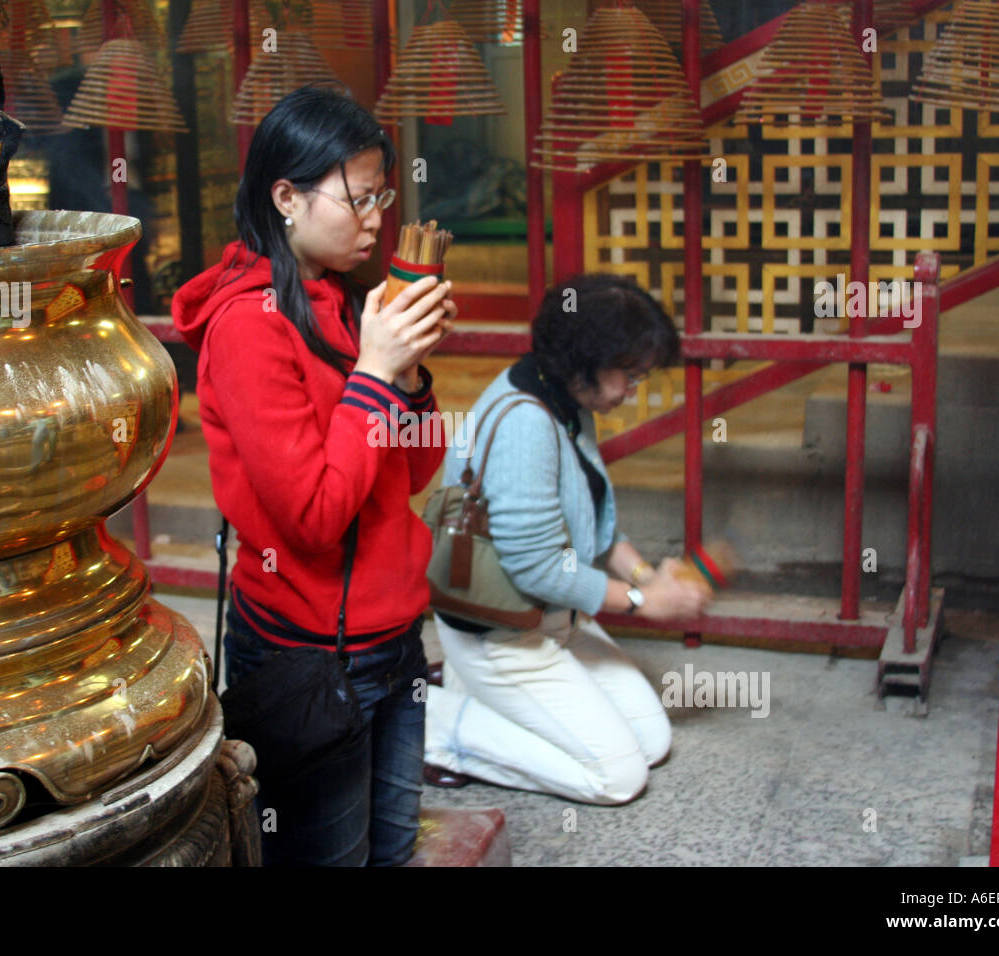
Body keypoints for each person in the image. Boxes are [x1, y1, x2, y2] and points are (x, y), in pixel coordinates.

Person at [171, 85, 458, 866]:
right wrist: (374, 374)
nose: (377, 219)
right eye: (358, 199)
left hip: (392, 635)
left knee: (393, 848)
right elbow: (313, 517)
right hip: (314, 650)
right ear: (287, 197)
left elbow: (417, 468)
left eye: (382, 196)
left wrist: (410, 373)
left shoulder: (336, 299)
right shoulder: (247, 331)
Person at [423, 273, 711, 805]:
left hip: (556, 619)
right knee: (619, 777)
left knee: (652, 742)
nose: (632, 391)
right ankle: (434, 727)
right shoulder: (527, 425)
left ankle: (468, 689)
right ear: (584, 365)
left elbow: (597, 525)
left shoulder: (564, 398)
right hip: (501, 631)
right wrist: (644, 601)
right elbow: (535, 567)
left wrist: (648, 576)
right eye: (630, 375)